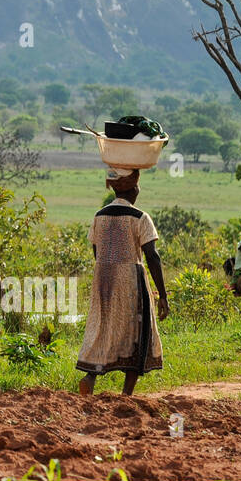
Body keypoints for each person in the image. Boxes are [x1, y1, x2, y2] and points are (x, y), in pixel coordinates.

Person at [76, 168, 169, 396]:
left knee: (104, 328)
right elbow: (152, 256)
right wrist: (163, 294)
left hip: (103, 280)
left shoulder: (100, 216)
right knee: (138, 331)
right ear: (133, 189)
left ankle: (91, 376)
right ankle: (126, 394)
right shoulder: (140, 217)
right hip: (131, 280)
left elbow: (96, 252)